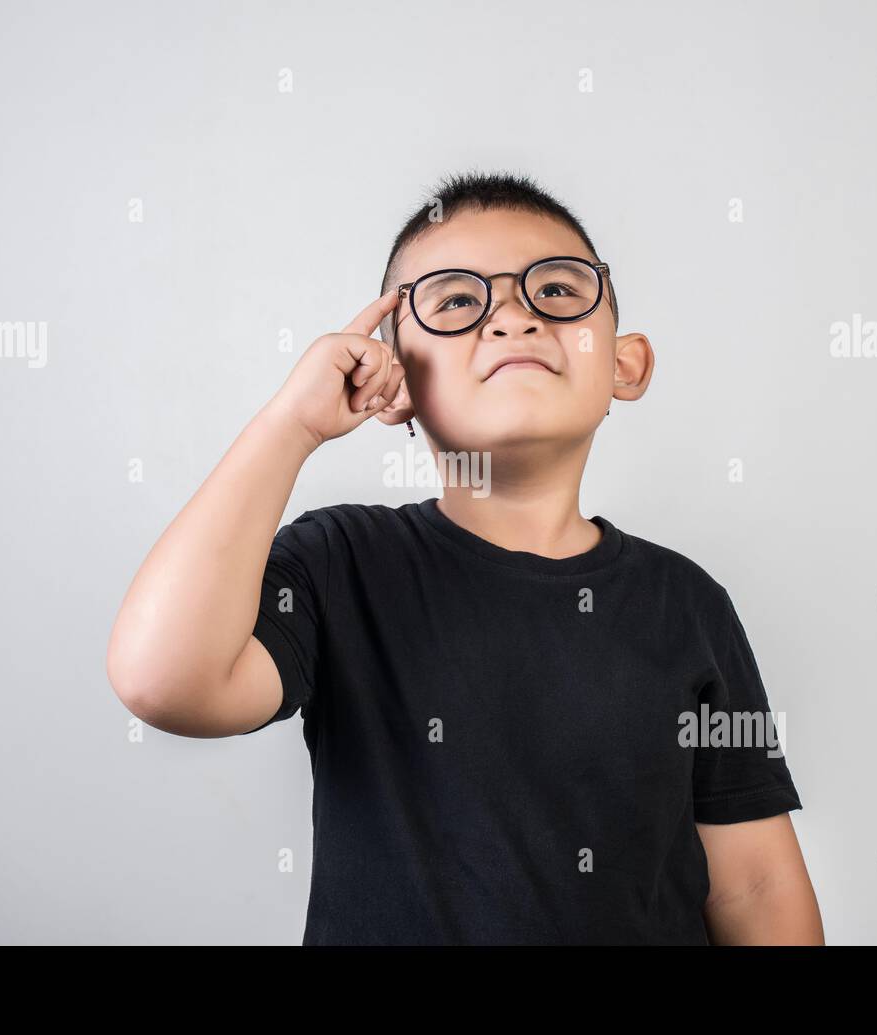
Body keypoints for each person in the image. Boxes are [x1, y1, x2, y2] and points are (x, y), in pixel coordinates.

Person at [106, 171, 824, 945]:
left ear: (626, 363)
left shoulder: (691, 603)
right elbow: (163, 679)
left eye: (555, 291)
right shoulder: (341, 564)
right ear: (393, 382)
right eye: (455, 301)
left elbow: (756, 883)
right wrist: (292, 423)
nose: (512, 317)